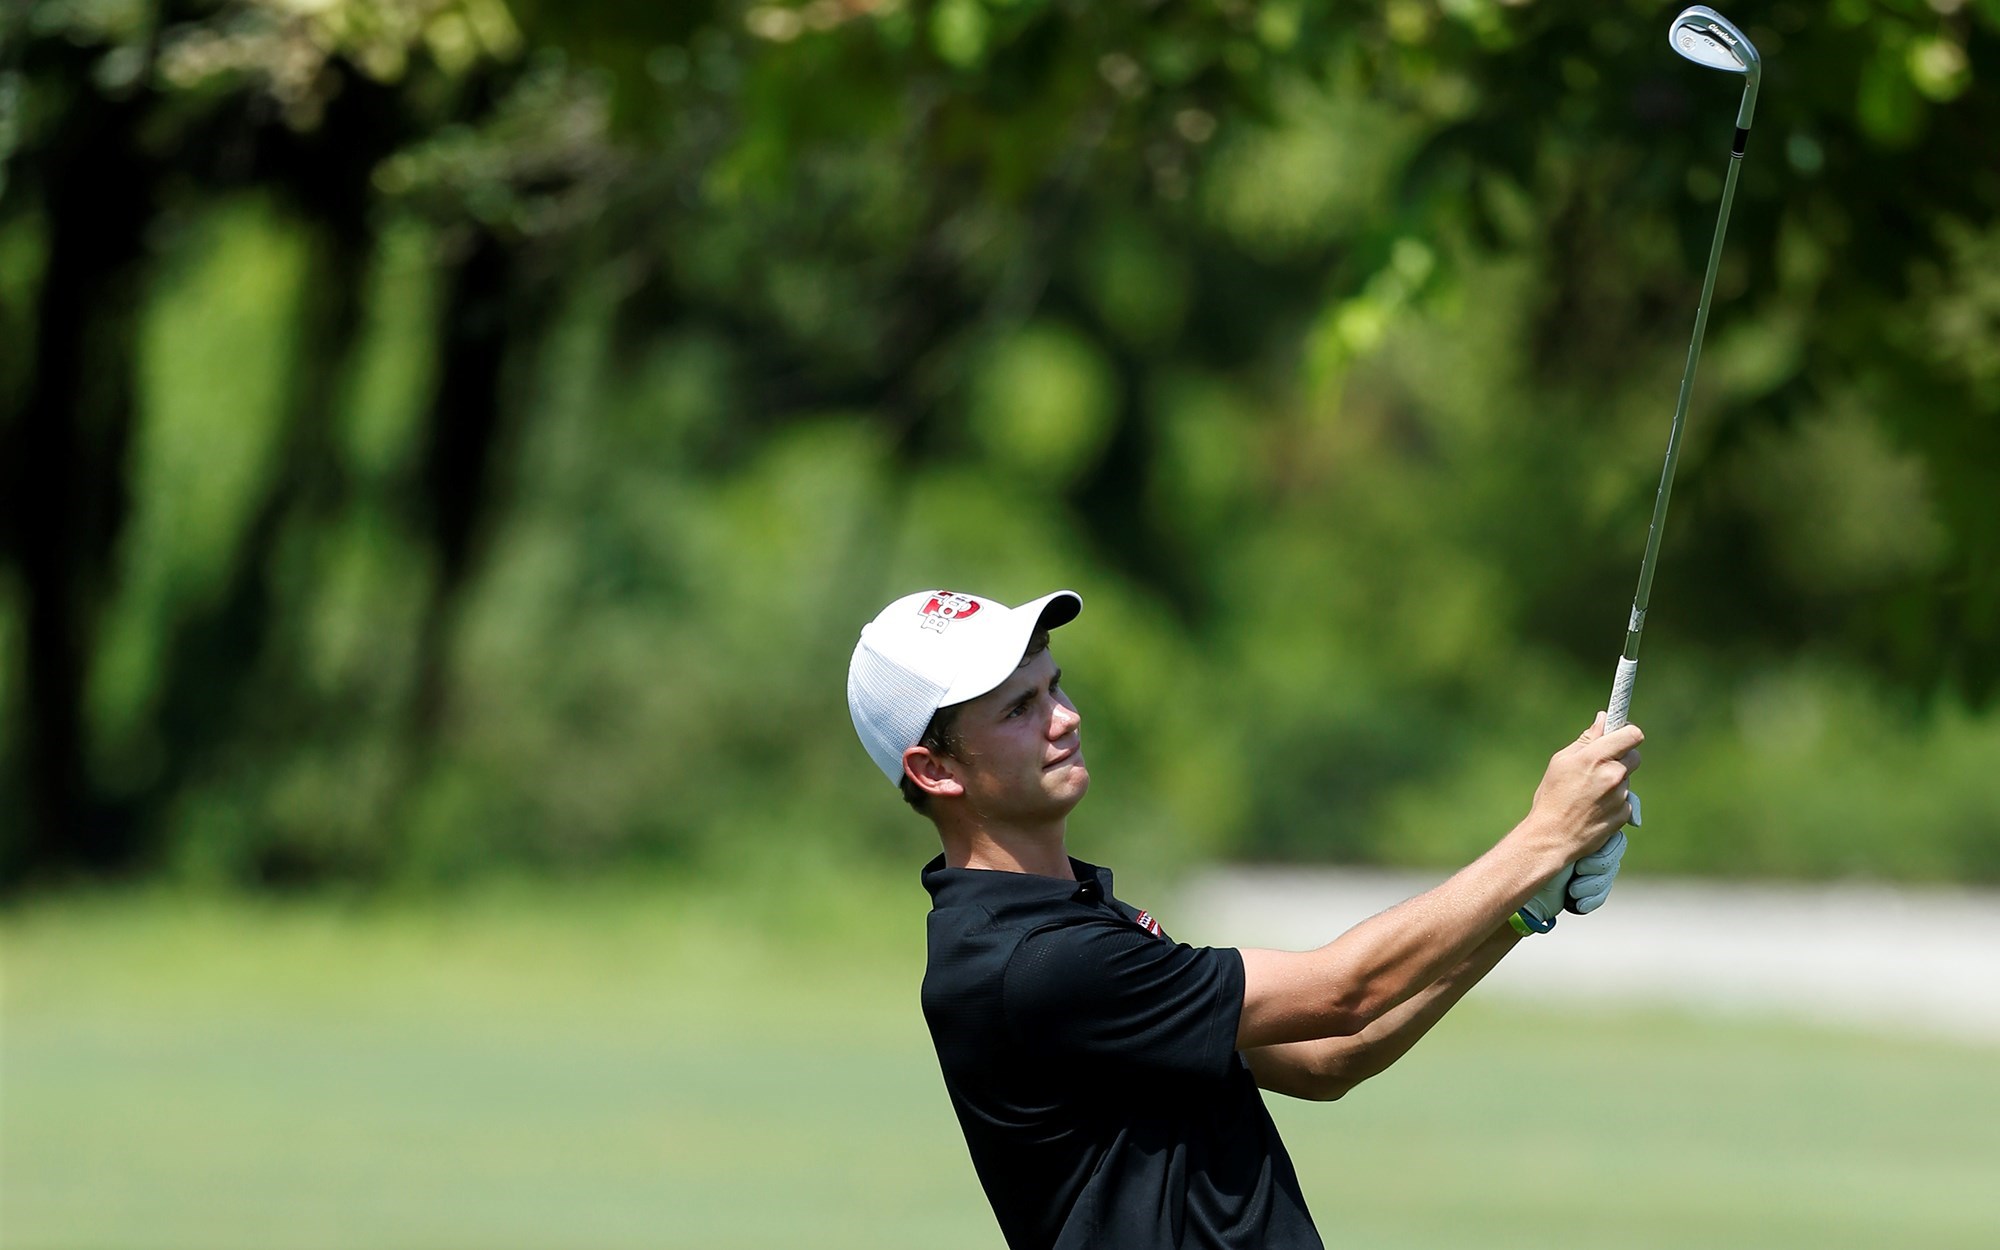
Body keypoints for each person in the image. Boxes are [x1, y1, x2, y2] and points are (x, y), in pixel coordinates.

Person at [845, 588, 1640, 1250]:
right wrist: (1543, 837)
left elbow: (1328, 1056)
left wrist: (1526, 906)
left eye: (1054, 686)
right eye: (1021, 708)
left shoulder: (1074, 921)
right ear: (934, 769)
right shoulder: (1035, 962)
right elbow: (1345, 990)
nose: (1065, 717)